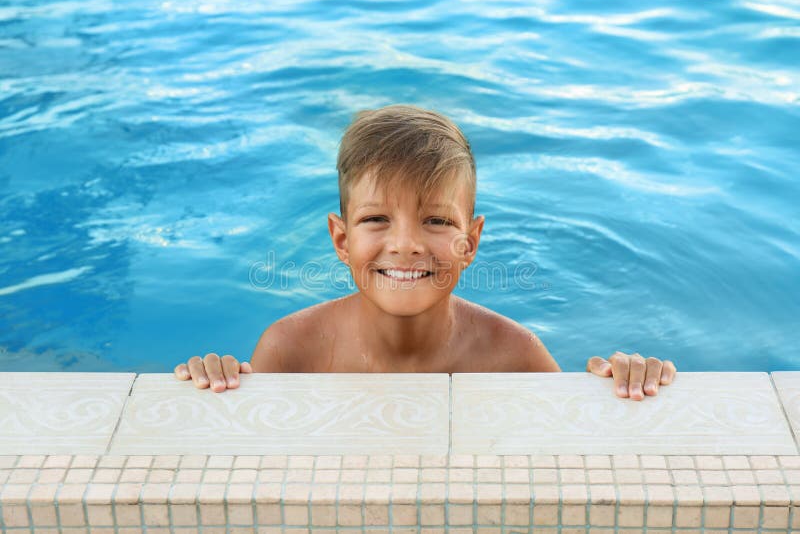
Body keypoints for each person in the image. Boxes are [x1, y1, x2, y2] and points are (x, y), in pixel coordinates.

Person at [174, 104, 676, 400]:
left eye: (436, 221)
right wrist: (213, 383)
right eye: (376, 219)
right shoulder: (291, 349)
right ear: (342, 240)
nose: (407, 244)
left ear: (470, 243)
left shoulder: (515, 355)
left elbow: (572, 447)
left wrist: (624, 384)